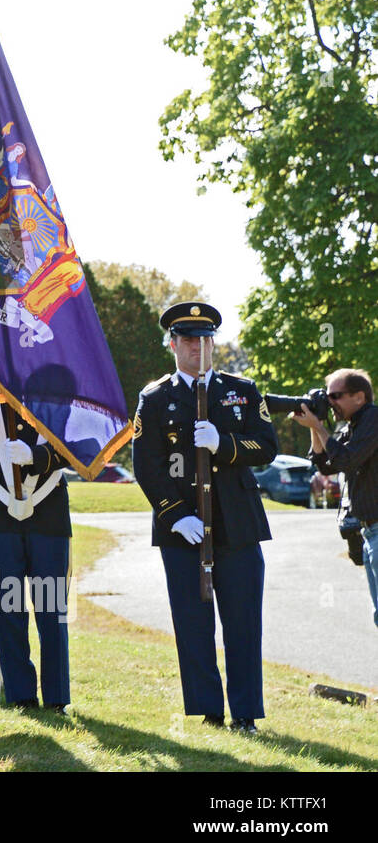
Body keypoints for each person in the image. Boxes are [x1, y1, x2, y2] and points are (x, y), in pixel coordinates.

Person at [132, 301, 277, 732]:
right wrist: (175, 516)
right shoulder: (155, 398)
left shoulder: (243, 389)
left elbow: (266, 446)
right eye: (189, 340)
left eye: (205, 339)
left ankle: (246, 713)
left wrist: (224, 443)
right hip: (183, 530)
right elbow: (147, 466)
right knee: (193, 624)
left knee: (244, 622)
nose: (199, 347)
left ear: (214, 342)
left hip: (237, 524)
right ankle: (209, 710)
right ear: (173, 345)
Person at [0, 373, 74, 714]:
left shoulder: (59, 379)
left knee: (52, 609)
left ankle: (56, 696)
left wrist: (37, 456)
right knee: (7, 609)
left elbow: (77, 444)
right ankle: (21, 693)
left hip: (47, 509)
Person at [294, 368, 377, 627]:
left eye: (335, 396)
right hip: (368, 532)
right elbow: (326, 465)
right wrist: (314, 425)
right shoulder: (351, 426)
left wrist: (319, 426)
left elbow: (345, 459)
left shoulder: (373, 419)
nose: (330, 403)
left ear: (359, 397)